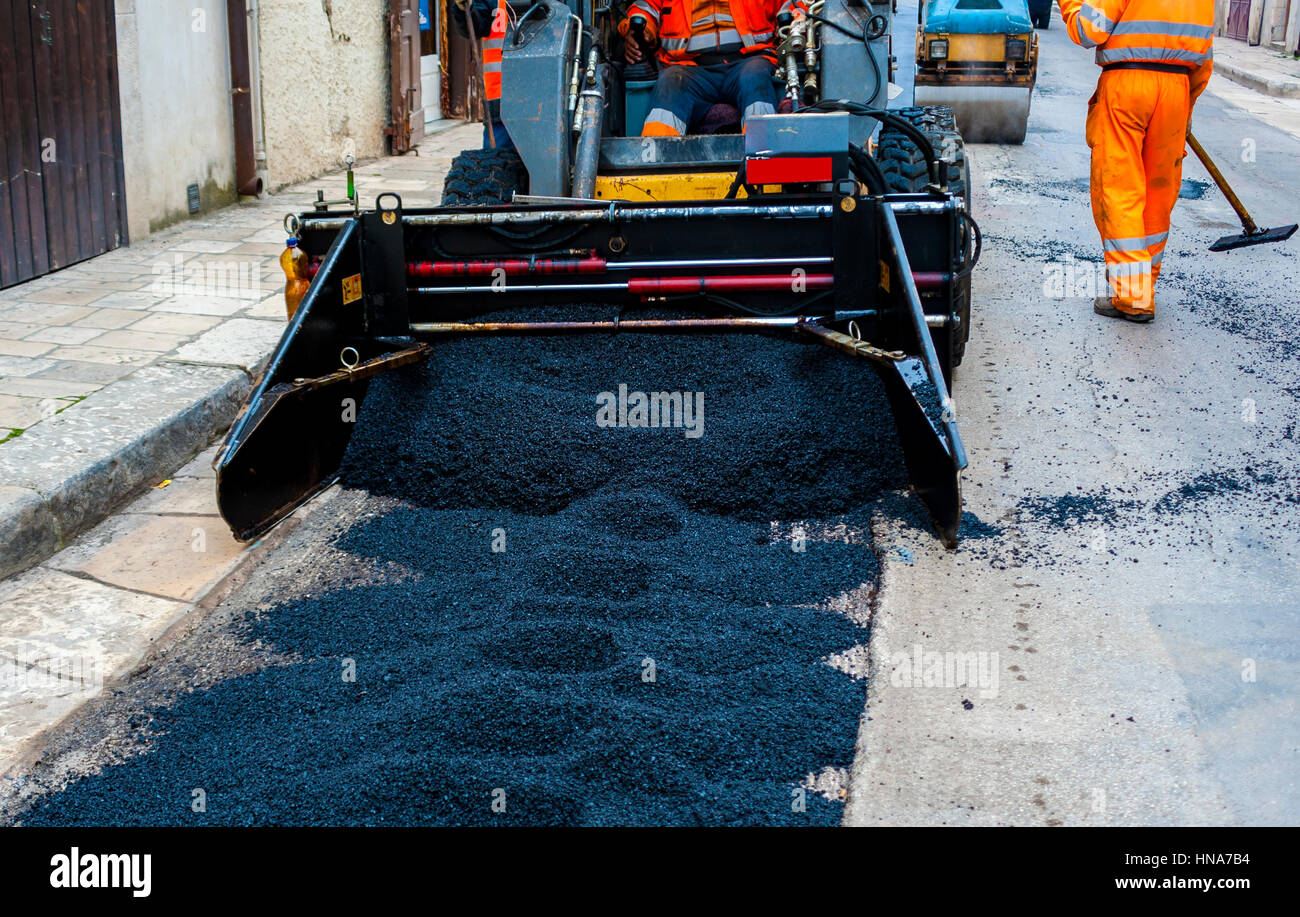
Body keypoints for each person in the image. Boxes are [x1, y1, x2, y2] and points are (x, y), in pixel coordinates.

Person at [1058, 0, 1214, 322]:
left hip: (1127, 86)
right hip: (1177, 89)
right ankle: (1145, 286)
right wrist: (1187, 105)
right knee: (1159, 194)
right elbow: (1205, 59)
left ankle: (1132, 295)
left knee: (1120, 189)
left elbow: (1088, 30)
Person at [621, 0, 801, 136]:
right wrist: (639, 29)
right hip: (688, 69)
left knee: (754, 76)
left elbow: (794, 6)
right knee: (671, 82)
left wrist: (798, 19)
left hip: (749, 61)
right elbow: (644, 9)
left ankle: (762, 159)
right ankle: (656, 168)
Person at [452, 0, 513, 149]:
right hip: (500, 102)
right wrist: (463, 8)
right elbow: (475, 25)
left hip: (546, 101)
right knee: (496, 163)